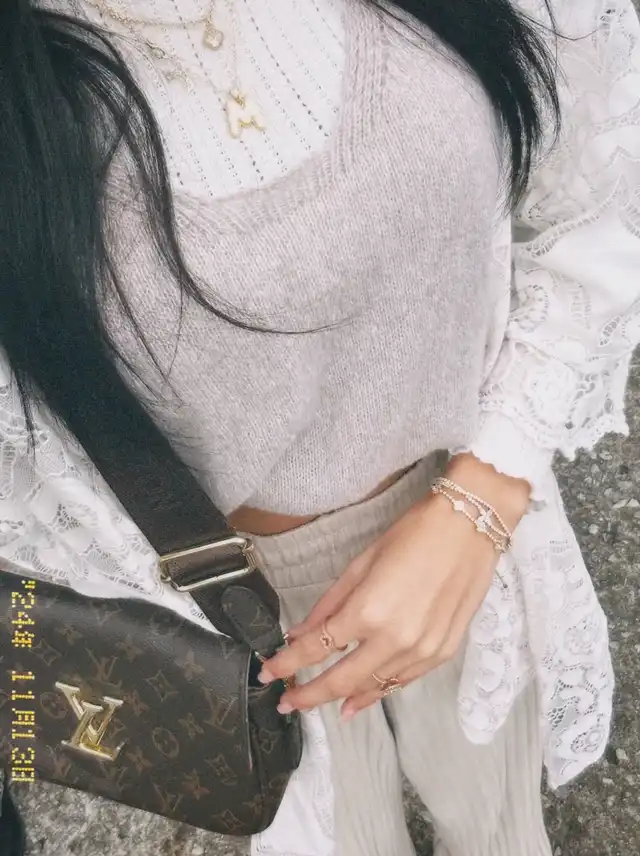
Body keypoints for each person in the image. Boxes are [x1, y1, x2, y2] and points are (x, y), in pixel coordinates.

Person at [1, 0, 639, 853]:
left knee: (497, 819)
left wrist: (489, 492)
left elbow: (601, 196)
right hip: (223, 614)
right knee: (338, 832)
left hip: (466, 519)